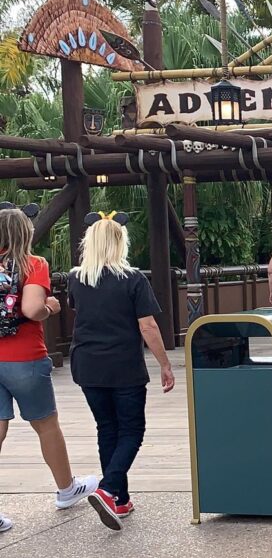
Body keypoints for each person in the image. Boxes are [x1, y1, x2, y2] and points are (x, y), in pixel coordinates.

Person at [68, 214, 174, 531]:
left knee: (107, 428)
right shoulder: (133, 280)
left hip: (87, 363)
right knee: (131, 430)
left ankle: (120, 499)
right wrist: (164, 364)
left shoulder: (76, 278)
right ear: (120, 244)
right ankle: (108, 488)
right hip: (124, 365)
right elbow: (148, 326)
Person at [0, 208, 98, 534]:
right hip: (24, 358)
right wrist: (51, 307)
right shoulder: (33, 264)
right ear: (24, 233)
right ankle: (67, 489)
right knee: (46, 425)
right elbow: (30, 309)